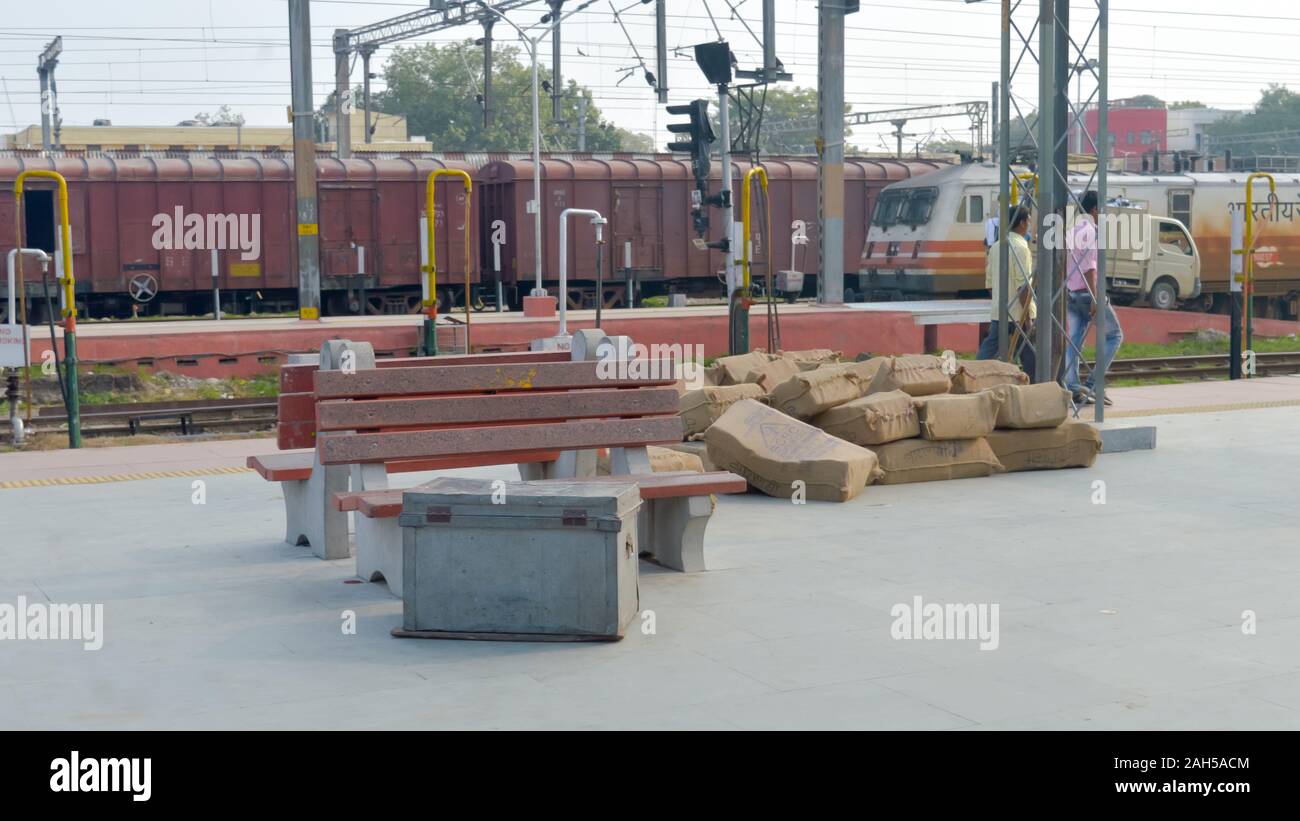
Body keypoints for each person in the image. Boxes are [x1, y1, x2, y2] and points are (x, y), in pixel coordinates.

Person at [1063, 190, 1123, 405]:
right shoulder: (1090, 232)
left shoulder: (1073, 231)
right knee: (1114, 335)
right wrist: (1097, 298)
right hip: (1088, 294)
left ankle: (1072, 387)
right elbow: (1089, 269)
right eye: (1103, 209)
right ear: (1095, 210)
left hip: (1072, 293)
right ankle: (1091, 385)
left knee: (1074, 342)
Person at [977, 205, 1036, 378]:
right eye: (1029, 221)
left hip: (999, 313)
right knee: (1030, 355)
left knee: (988, 352)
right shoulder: (1022, 248)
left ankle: (969, 376)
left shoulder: (995, 247)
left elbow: (989, 284)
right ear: (1023, 222)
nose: (1030, 225)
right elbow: (1023, 286)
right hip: (1019, 314)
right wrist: (1027, 319)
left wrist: (999, 302)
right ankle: (1034, 389)